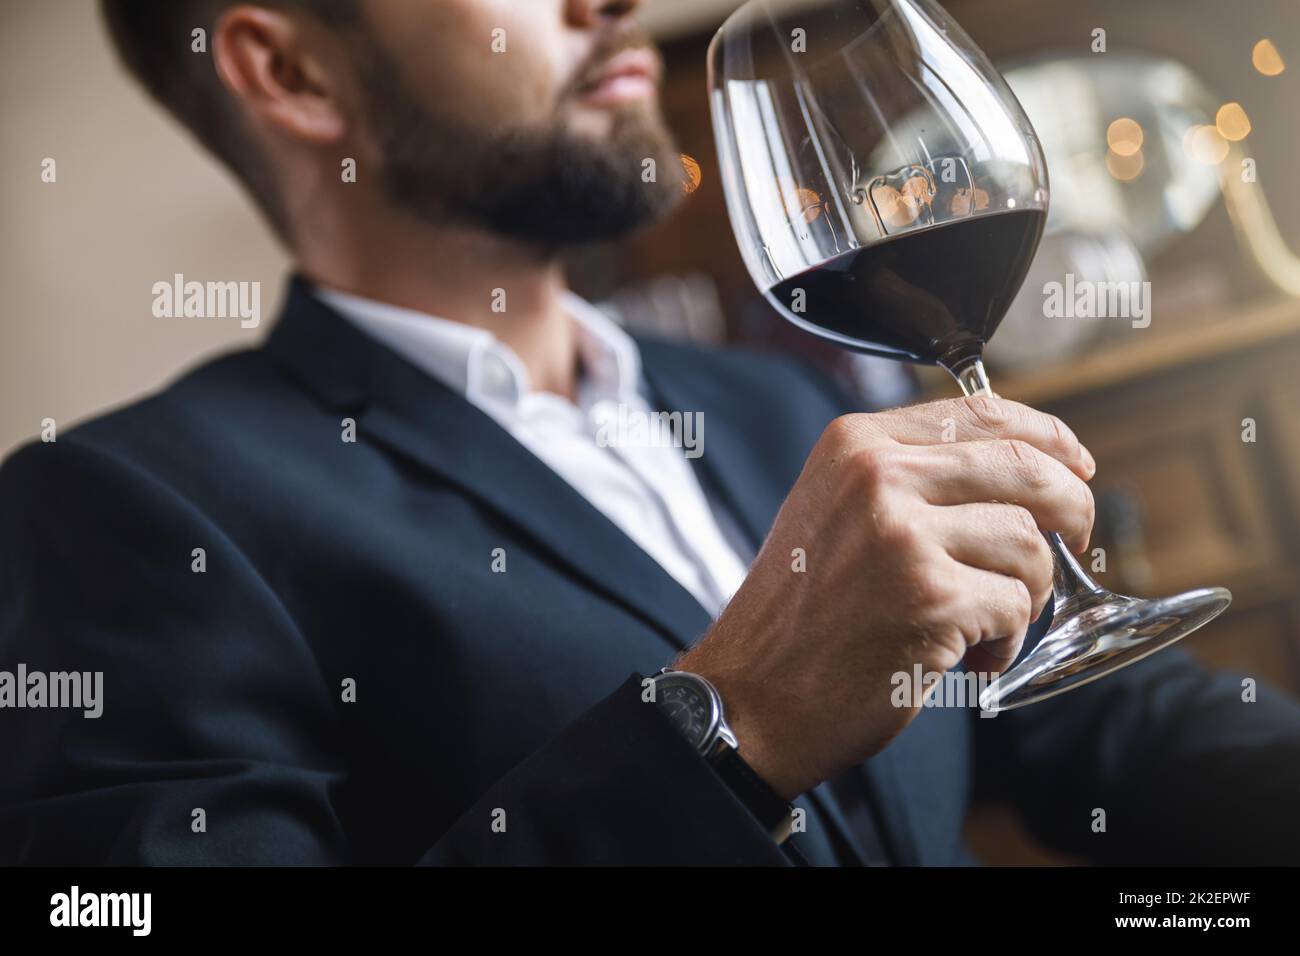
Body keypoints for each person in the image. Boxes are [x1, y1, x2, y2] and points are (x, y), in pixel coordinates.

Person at [1, 0, 1297, 866]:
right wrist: (729, 725)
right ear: (289, 72)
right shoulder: (119, 511)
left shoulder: (775, 404)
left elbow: (1100, 728)